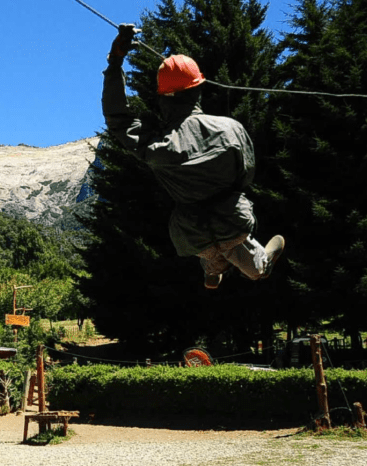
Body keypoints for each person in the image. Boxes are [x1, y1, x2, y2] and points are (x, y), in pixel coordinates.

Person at [101, 24, 284, 289]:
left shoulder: (157, 147)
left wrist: (115, 62)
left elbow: (118, 119)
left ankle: (213, 269)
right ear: (197, 90)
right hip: (233, 221)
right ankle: (258, 267)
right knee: (244, 252)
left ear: (164, 98)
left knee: (208, 242)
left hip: (189, 233)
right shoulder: (231, 129)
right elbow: (246, 175)